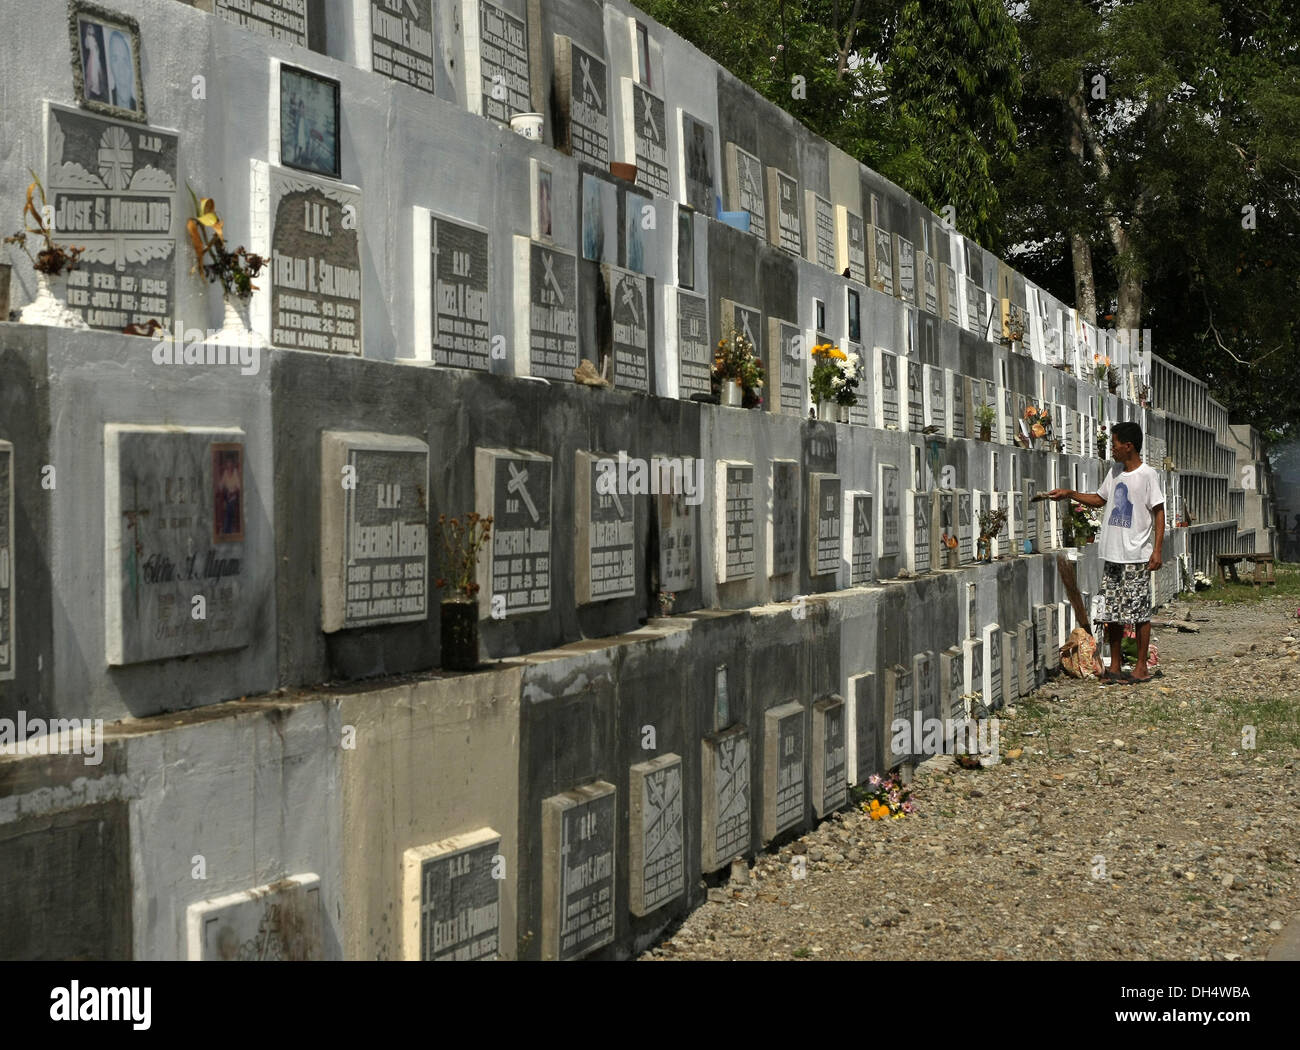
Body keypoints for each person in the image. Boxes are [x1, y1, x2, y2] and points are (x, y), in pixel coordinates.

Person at [1048, 420, 1165, 682]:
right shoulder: (1114, 472)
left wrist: (1157, 550)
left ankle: (1141, 668)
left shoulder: (1147, 475)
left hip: (1136, 554)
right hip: (1113, 553)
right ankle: (1115, 666)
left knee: (1139, 612)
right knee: (1112, 612)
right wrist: (1070, 494)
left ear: (1128, 446)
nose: (1111, 449)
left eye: (1114, 444)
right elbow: (1100, 500)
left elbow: (1159, 512)